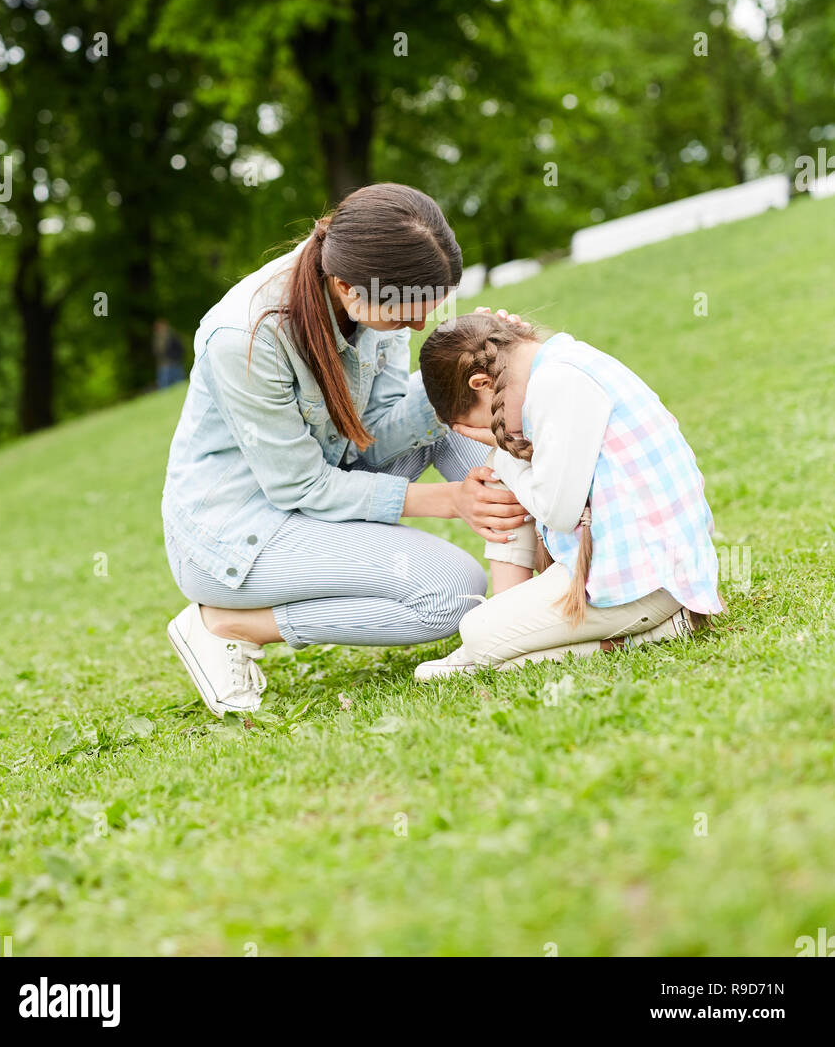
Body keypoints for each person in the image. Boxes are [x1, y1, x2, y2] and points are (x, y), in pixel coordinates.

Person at [161, 184, 529, 716]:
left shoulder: (376, 286)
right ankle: (226, 623)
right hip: (241, 533)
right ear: (348, 289)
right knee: (453, 593)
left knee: (450, 407)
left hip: (333, 471)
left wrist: (474, 369)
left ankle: (540, 578)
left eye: (430, 309)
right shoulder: (243, 336)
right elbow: (301, 486)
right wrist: (451, 500)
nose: (418, 325)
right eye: (405, 317)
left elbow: (376, 428)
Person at [413, 312, 723, 678]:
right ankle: (503, 637)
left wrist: (500, 453)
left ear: (482, 383)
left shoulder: (559, 385)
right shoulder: (558, 363)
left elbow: (556, 510)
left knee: (478, 631)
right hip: (642, 569)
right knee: (486, 634)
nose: (497, 432)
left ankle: (653, 632)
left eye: (486, 424)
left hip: (646, 583)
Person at [153, 319, 185, 390]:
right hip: (164, 365)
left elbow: (180, 348)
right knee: (164, 387)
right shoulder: (157, 338)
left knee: (180, 385)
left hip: (175, 363)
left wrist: (176, 357)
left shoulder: (172, 335)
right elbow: (157, 352)